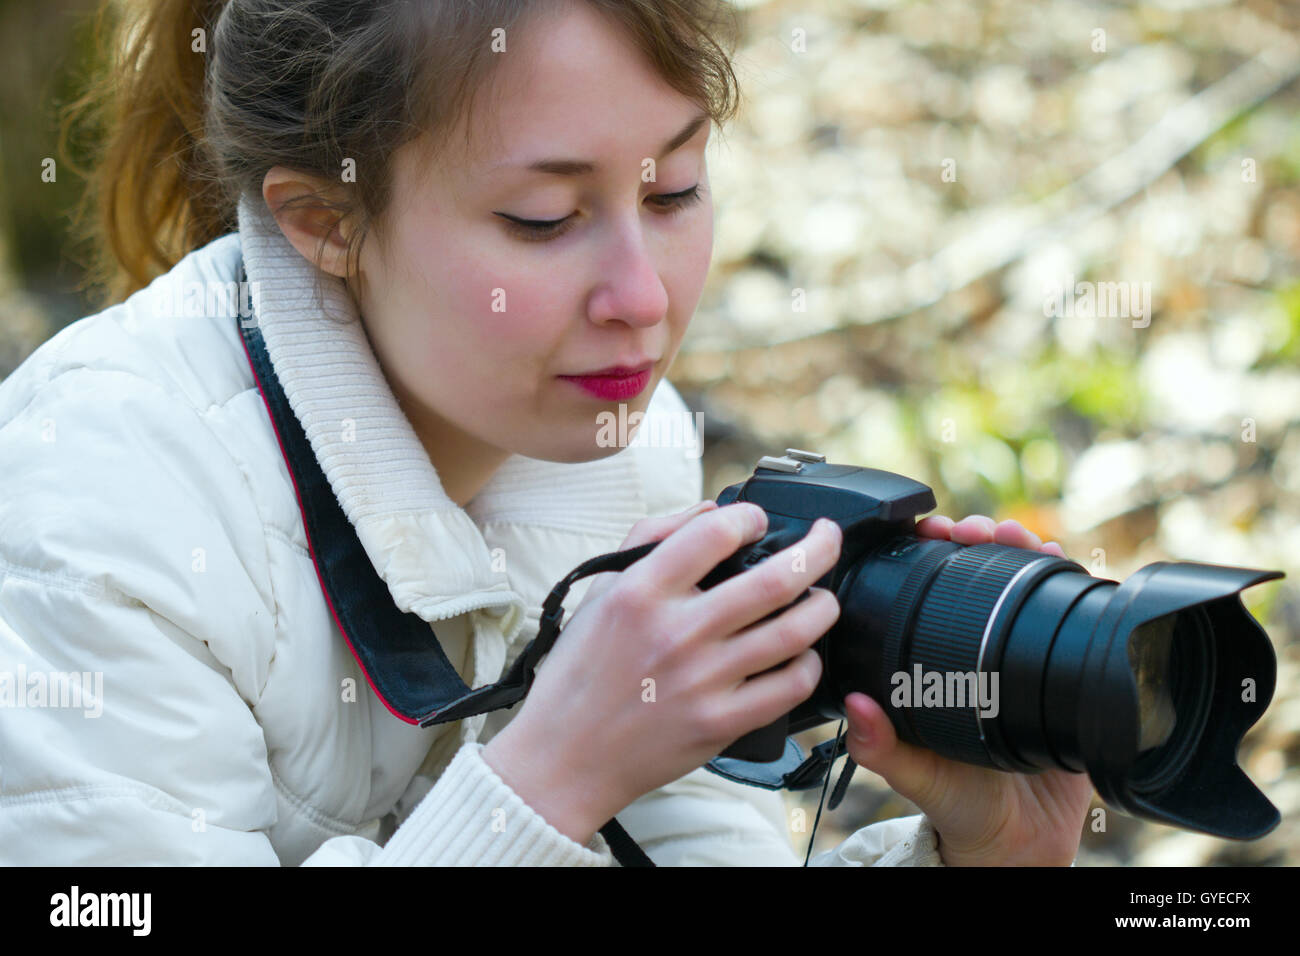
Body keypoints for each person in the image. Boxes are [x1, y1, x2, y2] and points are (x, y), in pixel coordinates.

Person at [0, 0, 1090, 866]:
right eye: (544, 219)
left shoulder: (622, 448)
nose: (642, 297)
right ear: (324, 222)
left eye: (672, 190)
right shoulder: (100, 513)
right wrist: (550, 779)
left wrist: (980, 859)